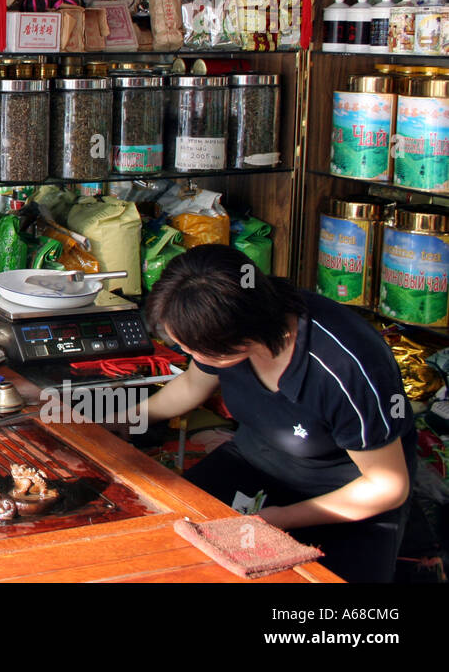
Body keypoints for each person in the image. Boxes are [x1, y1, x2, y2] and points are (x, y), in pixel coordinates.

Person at [143, 244, 416, 583]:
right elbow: (190, 387)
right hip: (254, 460)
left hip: (347, 496)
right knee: (162, 544)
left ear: (238, 342)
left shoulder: (344, 367)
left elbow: (387, 486)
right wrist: (120, 419)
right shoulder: (230, 318)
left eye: (190, 348)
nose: (185, 352)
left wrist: (277, 519)